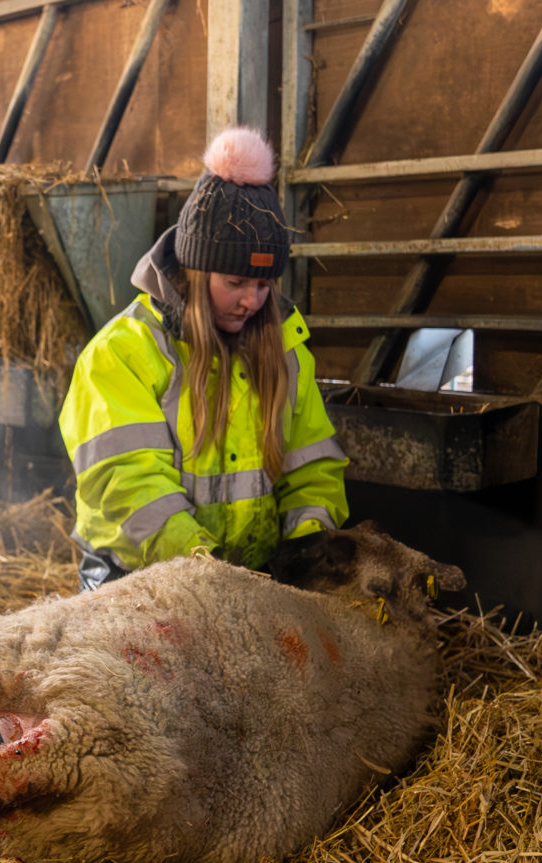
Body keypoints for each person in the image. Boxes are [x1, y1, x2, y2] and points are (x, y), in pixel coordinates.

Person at [58, 126, 349, 591]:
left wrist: (307, 546)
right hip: (139, 584)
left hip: (251, 581)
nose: (252, 301)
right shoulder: (122, 353)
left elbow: (312, 467)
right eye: (235, 283)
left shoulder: (284, 351)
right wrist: (203, 565)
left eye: (263, 285)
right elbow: (127, 484)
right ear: (195, 271)